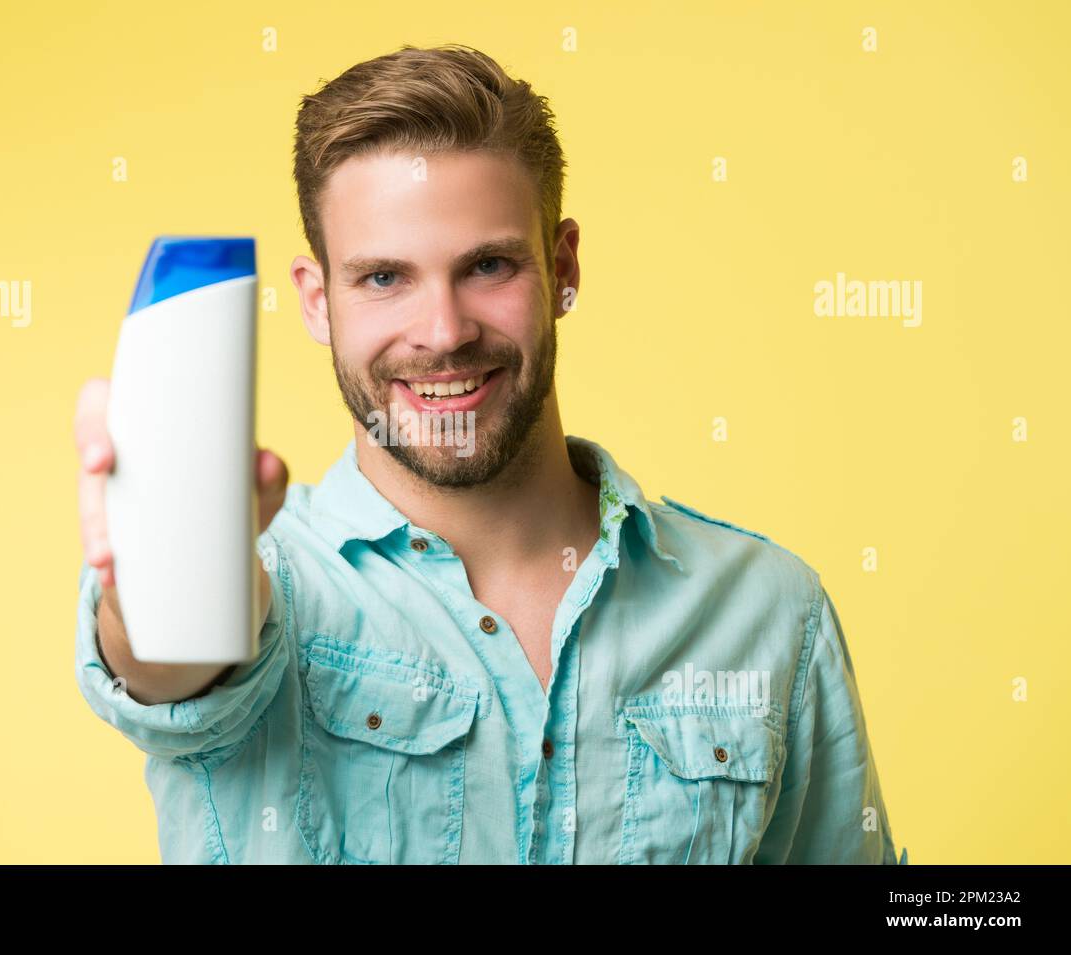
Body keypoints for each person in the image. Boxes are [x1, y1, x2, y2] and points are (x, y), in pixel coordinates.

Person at [72, 43, 904, 865]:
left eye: (489, 265)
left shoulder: (766, 611)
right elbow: (172, 660)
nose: (443, 331)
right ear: (319, 301)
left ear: (563, 265)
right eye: (384, 279)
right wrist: (170, 562)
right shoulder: (265, 586)